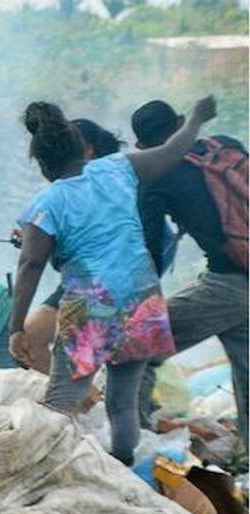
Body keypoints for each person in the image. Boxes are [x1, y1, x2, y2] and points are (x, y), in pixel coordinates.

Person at [9, 98, 218, 466]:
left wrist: (16, 328)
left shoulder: (48, 202)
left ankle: (54, 472)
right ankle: (120, 468)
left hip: (92, 304)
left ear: (43, 165)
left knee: (62, 403)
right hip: (142, 296)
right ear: (81, 147)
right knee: (122, 403)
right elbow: (172, 150)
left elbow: (30, 264)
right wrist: (196, 119)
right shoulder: (118, 168)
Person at [133, 99, 248, 447]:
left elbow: (150, 254)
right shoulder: (226, 145)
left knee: (136, 348)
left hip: (228, 283)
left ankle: (134, 444)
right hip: (242, 274)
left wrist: (138, 307)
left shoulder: (155, 178)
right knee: (245, 367)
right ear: (182, 121)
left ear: (142, 147)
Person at [22, 118, 127, 376]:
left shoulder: (107, 180)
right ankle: (87, 403)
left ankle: (84, 402)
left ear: (86, 149)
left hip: (103, 279)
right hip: (80, 279)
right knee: (32, 337)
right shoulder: (76, 182)